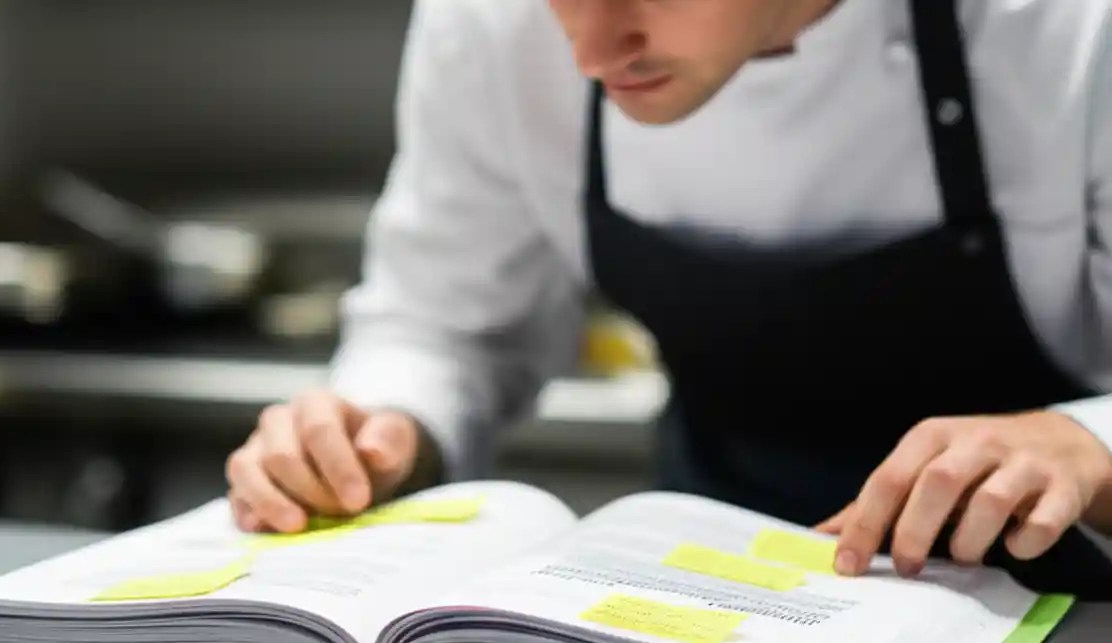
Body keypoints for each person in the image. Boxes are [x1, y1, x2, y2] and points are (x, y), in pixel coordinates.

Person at [227, 0, 1112, 596]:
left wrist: (1088, 444)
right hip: (704, 609)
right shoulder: (492, 20)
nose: (589, 49)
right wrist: (381, 429)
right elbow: (445, 322)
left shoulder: (1072, 30)